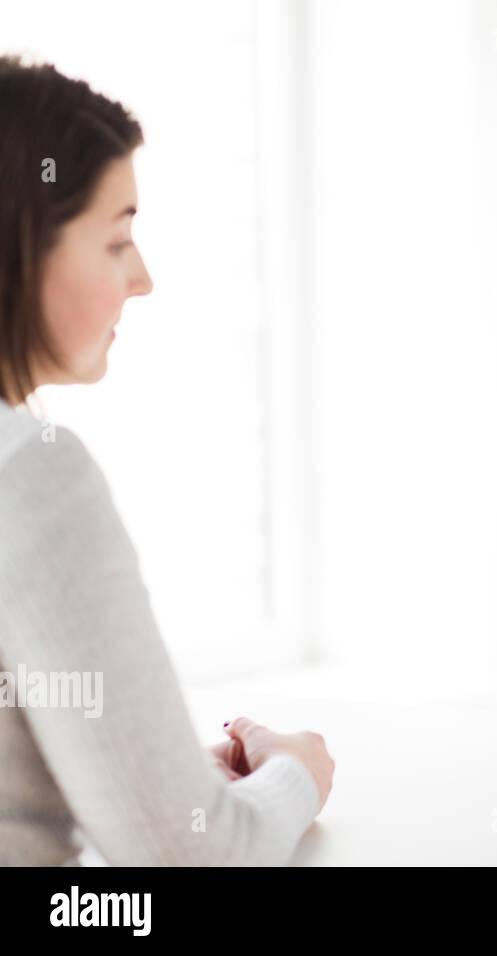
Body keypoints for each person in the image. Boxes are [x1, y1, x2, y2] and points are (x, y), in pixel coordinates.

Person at [0, 55, 334, 866]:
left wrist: (170, 786)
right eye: (117, 239)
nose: (142, 278)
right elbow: (193, 858)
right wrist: (296, 773)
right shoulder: (33, 477)